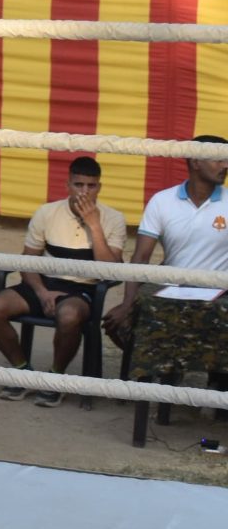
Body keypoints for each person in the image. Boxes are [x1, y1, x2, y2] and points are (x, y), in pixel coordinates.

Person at [0, 156, 126, 406]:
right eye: (78, 185)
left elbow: (110, 271)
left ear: (99, 188)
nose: (84, 192)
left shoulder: (113, 218)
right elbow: (28, 261)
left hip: (83, 286)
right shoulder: (47, 212)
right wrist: (41, 292)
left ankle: (55, 378)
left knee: (69, 316)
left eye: (91, 186)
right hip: (44, 282)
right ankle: (22, 371)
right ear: (67, 185)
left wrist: (94, 225)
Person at [103, 138, 228, 382]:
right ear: (195, 162)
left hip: (220, 293)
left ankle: (218, 391)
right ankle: (157, 390)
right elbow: (140, 257)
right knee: (131, 319)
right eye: (219, 159)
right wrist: (128, 304)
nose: (225, 165)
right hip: (174, 290)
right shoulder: (162, 201)